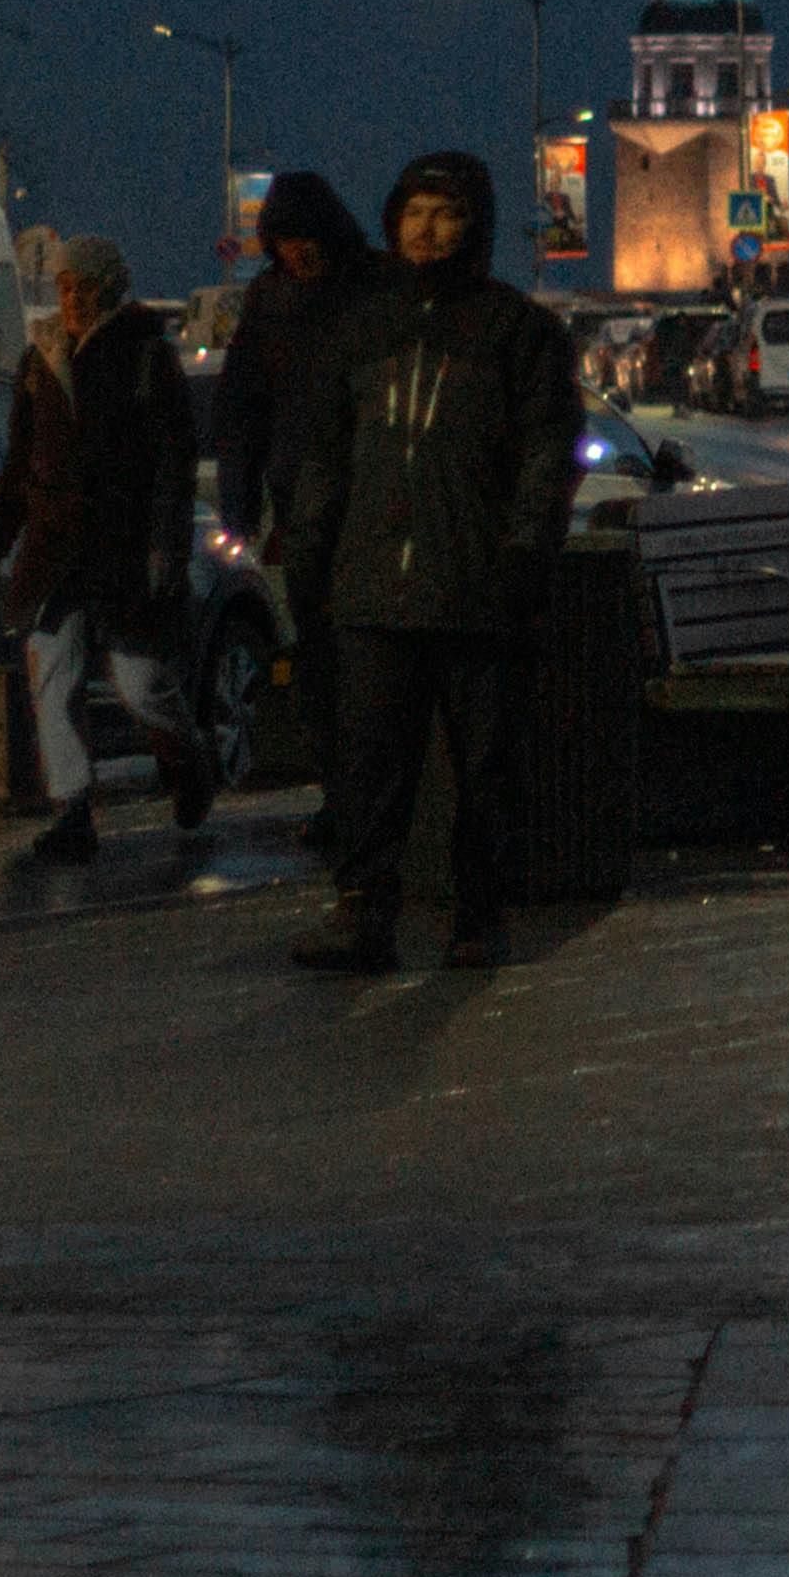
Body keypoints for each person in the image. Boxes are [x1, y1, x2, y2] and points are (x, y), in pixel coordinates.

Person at [284, 150, 584, 973]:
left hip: (478, 585)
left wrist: (526, 548)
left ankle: (479, 916)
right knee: (369, 765)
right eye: (414, 211)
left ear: (474, 225)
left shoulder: (517, 333)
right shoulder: (362, 329)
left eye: (444, 213)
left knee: (484, 769)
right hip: (375, 587)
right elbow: (324, 454)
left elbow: (546, 453)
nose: (426, 228)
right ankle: (362, 911)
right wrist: (311, 548)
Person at [0, 236, 209, 864]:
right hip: (54, 549)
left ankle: (188, 759)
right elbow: (20, 465)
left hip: (120, 549)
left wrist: (167, 549)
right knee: (54, 675)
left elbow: (174, 465)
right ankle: (72, 808)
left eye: (80, 286)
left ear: (107, 287)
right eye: (63, 286)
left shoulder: (144, 358)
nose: (69, 298)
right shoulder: (41, 360)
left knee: (140, 681)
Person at [211, 170, 373, 836]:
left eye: (304, 240)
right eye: (284, 242)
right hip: (302, 495)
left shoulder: (365, 289)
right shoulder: (270, 300)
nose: (296, 254)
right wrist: (239, 497)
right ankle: (341, 794)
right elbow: (242, 404)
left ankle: (366, 796)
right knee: (322, 655)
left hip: (367, 494)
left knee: (365, 654)